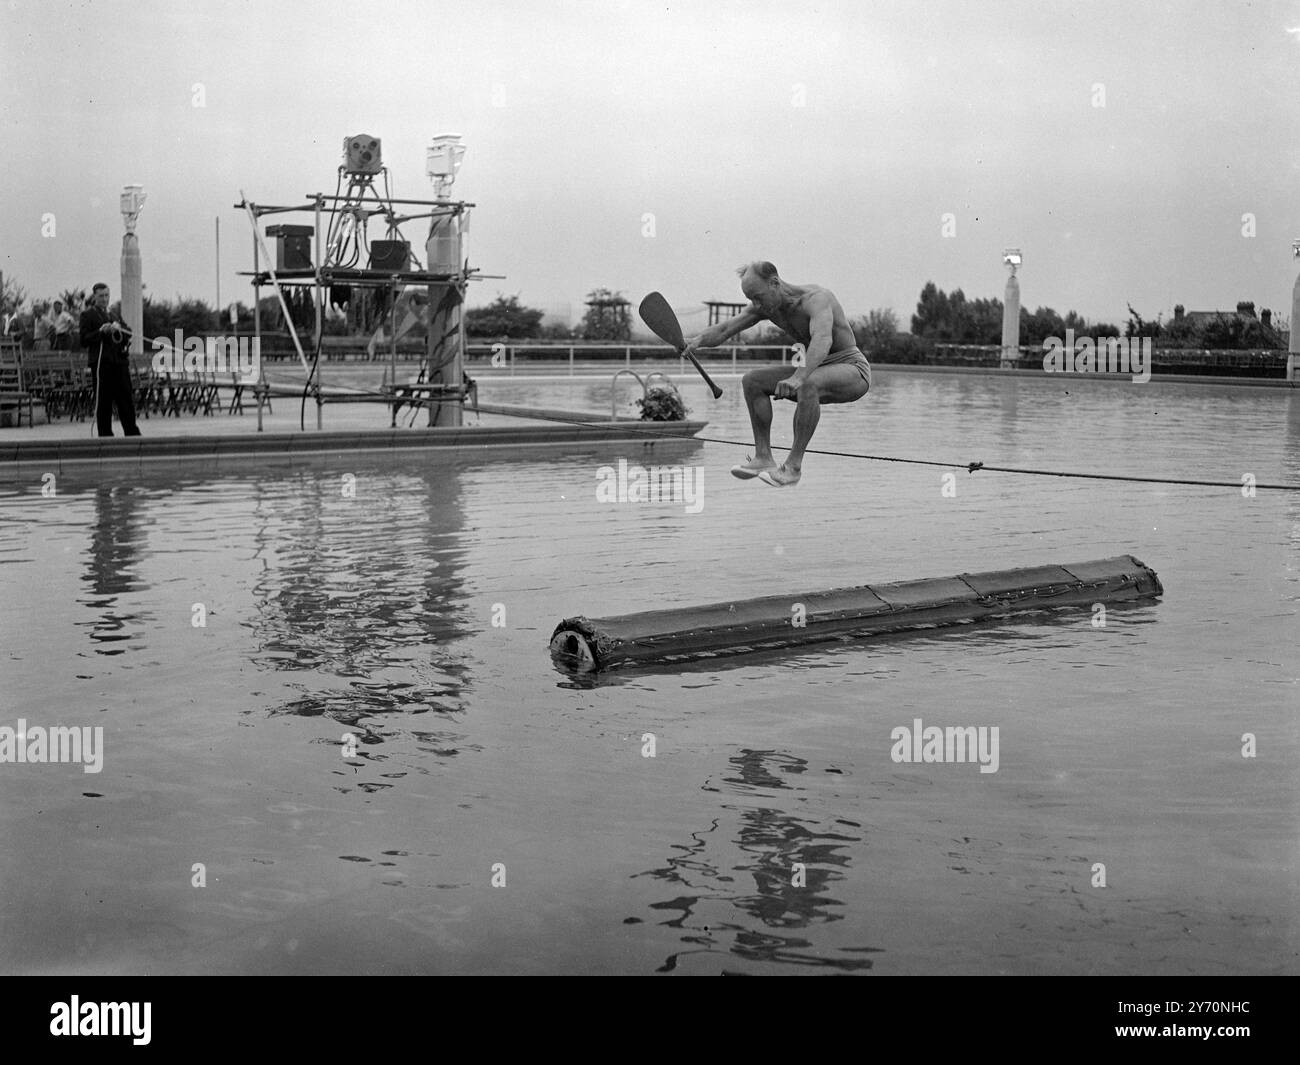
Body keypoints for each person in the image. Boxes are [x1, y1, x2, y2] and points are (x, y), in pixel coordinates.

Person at [682, 261, 870, 487]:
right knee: (752, 381)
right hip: (816, 369)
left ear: (774, 283)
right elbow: (724, 330)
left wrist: (798, 377)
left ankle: (793, 467)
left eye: (758, 297)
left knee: (808, 382)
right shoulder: (765, 306)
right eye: (751, 299)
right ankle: (763, 457)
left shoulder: (817, 299)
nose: (755, 304)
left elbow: (823, 339)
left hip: (852, 369)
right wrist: (696, 341)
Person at [79, 282, 141, 437]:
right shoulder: (87, 315)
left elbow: (129, 332)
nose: (105, 299)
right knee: (104, 401)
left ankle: (132, 432)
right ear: (94, 297)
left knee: (125, 398)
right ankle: (105, 435)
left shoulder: (114, 314)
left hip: (119, 362)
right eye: (101, 296)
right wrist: (101, 332)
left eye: (107, 295)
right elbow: (84, 340)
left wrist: (120, 329)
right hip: (102, 364)